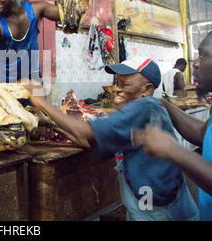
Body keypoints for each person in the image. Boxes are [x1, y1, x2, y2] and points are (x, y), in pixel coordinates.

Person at [23, 57, 198, 221]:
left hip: (160, 211)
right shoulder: (138, 113)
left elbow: (85, 132)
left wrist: (41, 102)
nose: (117, 89)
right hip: (152, 206)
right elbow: (89, 141)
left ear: (147, 89)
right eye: (117, 82)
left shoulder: (145, 107)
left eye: (125, 83)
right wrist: (50, 124)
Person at [136, 27, 212, 221]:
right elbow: (203, 133)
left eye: (204, 56)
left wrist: (173, 150)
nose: (196, 64)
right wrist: (163, 105)